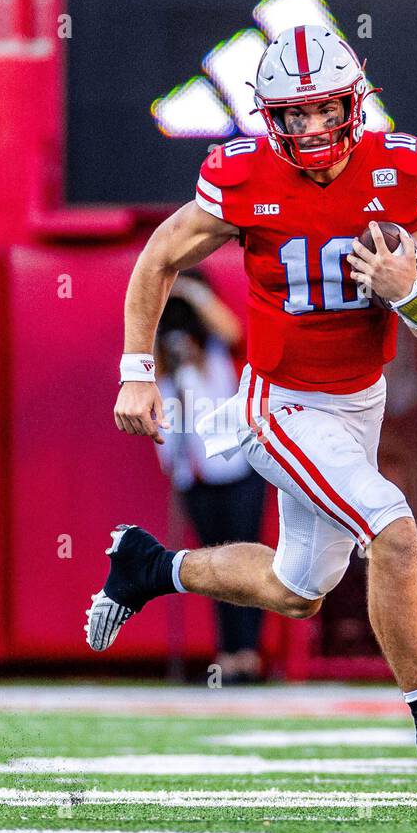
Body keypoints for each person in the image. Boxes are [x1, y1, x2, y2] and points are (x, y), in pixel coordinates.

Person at [87, 25, 417, 786]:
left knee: (296, 590)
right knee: (394, 529)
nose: (311, 127)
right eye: (293, 113)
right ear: (267, 117)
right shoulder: (243, 179)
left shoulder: (404, 169)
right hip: (279, 402)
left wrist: (403, 290)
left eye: (323, 110)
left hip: (358, 400)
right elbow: (158, 256)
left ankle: (150, 565)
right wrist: (136, 370)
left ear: (354, 104)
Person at [154, 273, 266, 682]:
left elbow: (230, 328)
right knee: (216, 569)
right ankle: (227, 652)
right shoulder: (166, 366)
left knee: (246, 561)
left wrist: (190, 293)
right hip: (195, 479)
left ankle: (249, 653)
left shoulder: (219, 350)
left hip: (238, 472)